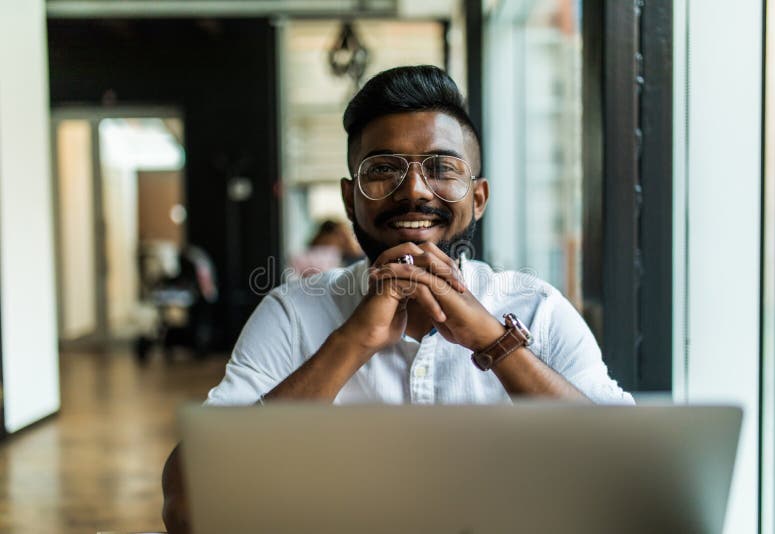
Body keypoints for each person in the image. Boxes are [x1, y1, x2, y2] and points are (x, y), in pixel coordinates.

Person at [161, 65, 632, 533]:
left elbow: (632, 484)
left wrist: (493, 340)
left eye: (442, 168)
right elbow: (188, 505)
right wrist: (352, 341)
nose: (414, 190)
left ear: (479, 198)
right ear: (350, 201)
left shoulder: (538, 308)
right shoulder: (292, 313)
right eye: (383, 169)